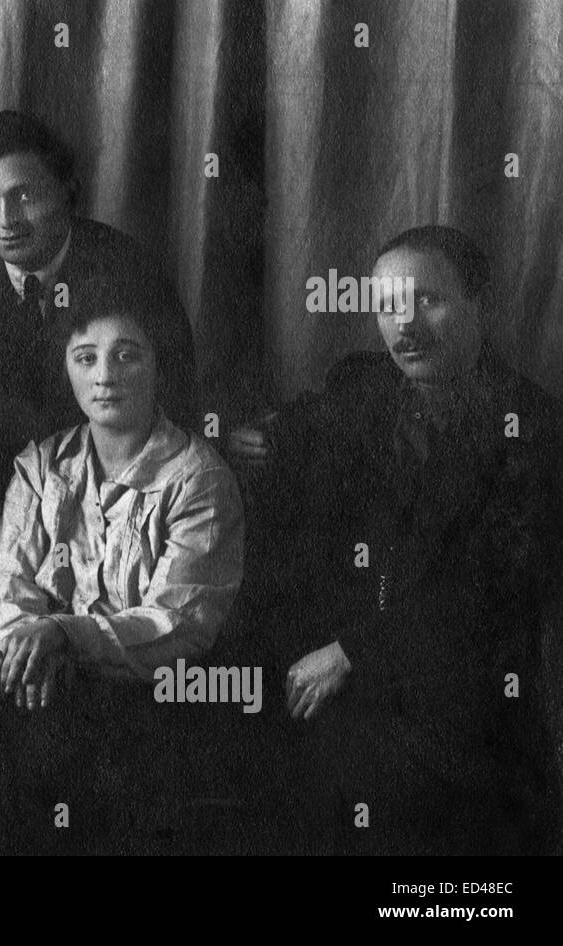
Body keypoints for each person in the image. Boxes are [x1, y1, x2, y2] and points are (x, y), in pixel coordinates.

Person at [228, 225, 563, 854]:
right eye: (386, 306)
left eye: (428, 300)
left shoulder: (533, 426)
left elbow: (495, 593)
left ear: (478, 303)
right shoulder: (362, 385)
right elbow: (295, 431)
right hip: (341, 680)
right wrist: (253, 441)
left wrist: (354, 650)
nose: (403, 325)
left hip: (461, 706)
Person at [0, 276, 242, 852]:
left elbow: (183, 624)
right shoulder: (40, 466)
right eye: (85, 357)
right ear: (67, 369)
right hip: (41, 686)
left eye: (127, 355)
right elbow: (2, 582)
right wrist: (30, 648)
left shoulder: (197, 476)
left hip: (149, 700)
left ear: (159, 366)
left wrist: (66, 635)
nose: (105, 375)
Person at [0, 110, 197, 590]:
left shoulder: (127, 270)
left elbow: (170, 411)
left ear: (67, 190)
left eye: (24, 196)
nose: (5, 220)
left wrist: (32, 424)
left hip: (115, 500)